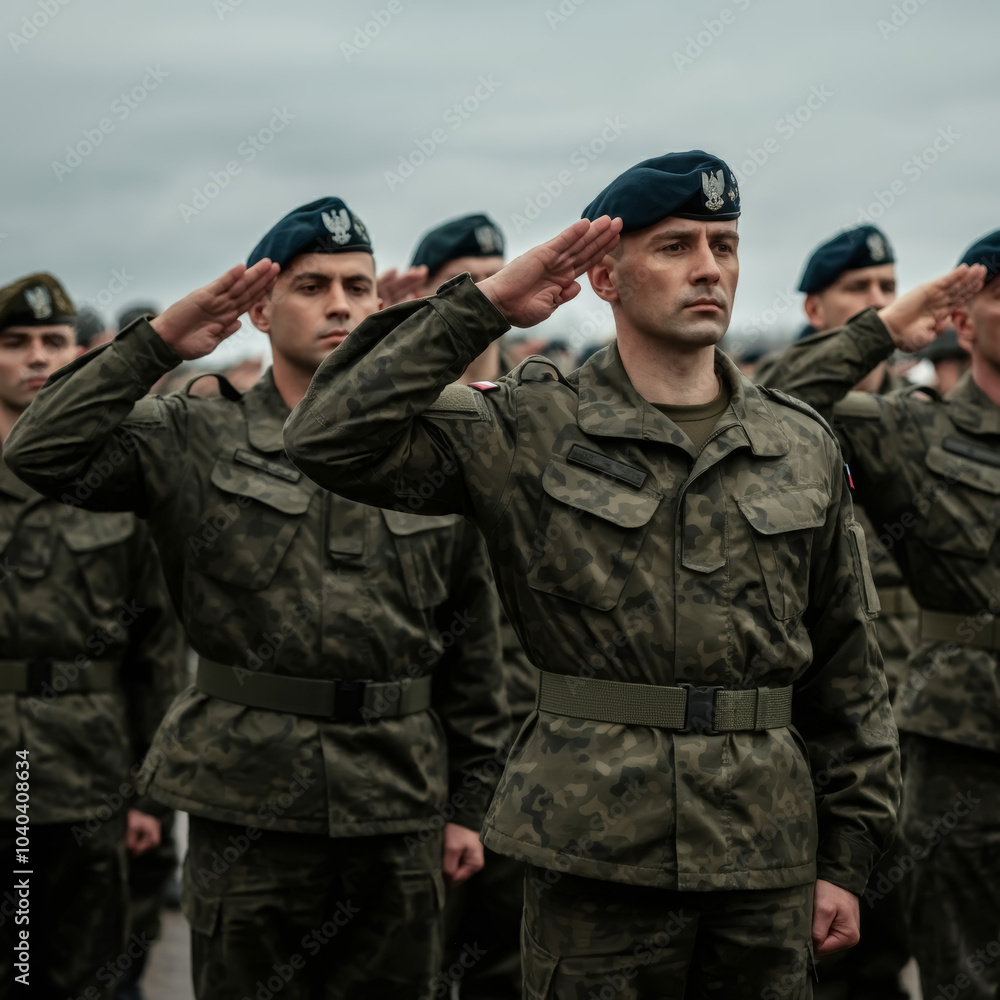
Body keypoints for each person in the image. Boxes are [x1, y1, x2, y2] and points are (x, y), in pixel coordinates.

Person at [282, 152, 901, 998]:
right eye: (675, 246)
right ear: (604, 276)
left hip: (765, 854)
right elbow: (327, 436)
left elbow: (849, 672)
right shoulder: (529, 425)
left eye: (724, 244)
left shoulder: (800, 442)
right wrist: (486, 304)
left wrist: (850, 856)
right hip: (592, 851)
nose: (709, 267)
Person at [3, 199, 510, 1000]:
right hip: (247, 803)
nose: (341, 303)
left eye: (357, 286)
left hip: (399, 801)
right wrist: (162, 339)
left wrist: (471, 803)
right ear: (261, 308)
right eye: (313, 285)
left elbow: (473, 646)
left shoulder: (428, 446)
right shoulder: (193, 435)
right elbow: (41, 448)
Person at [759, 229, 998, 1000]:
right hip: (965, 749)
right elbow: (772, 397)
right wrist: (884, 328)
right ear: (963, 318)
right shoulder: (915, 432)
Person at [0, 272, 185, 998]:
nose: (36, 357)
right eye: (15, 343)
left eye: (54, 342)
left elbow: (158, 652)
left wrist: (151, 795)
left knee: (95, 972)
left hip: (93, 770)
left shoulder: (117, 480)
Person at [765, 226, 915, 999]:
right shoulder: (785, 410)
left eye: (889, 289)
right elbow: (780, 389)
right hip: (804, 732)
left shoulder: (919, 420)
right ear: (815, 306)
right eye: (859, 292)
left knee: (889, 950)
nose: (881, 305)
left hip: (905, 730)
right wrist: (876, 335)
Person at [410, 211, 532, 999]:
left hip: (534, 744)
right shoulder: (395, 426)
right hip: (424, 755)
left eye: (497, 276)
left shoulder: (542, 412)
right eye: (465, 283)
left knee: (512, 966)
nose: (486, 295)